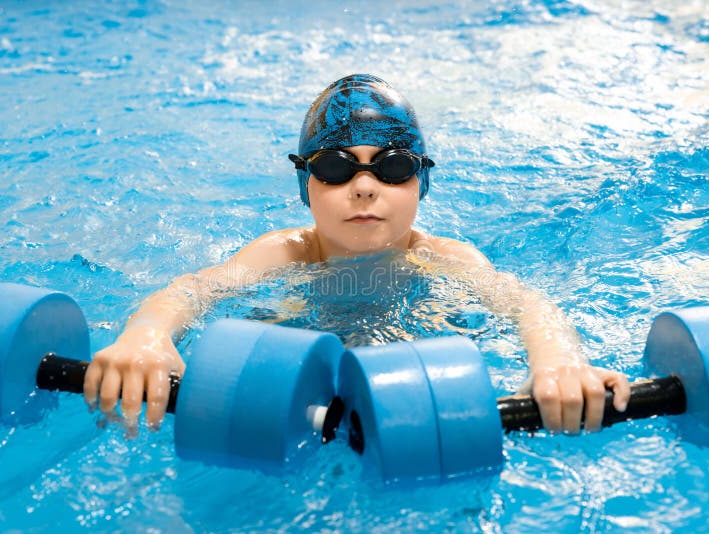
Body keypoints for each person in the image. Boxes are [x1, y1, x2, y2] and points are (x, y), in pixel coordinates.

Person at [84, 74, 630, 434]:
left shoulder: (446, 258)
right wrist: (145, 337)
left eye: (392, 166)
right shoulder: (285, 253)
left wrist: (559, 363)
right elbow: (190, 291)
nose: (365, 188)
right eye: (336, 167)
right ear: (307, 186)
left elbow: (527, 307)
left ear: (420, 183)